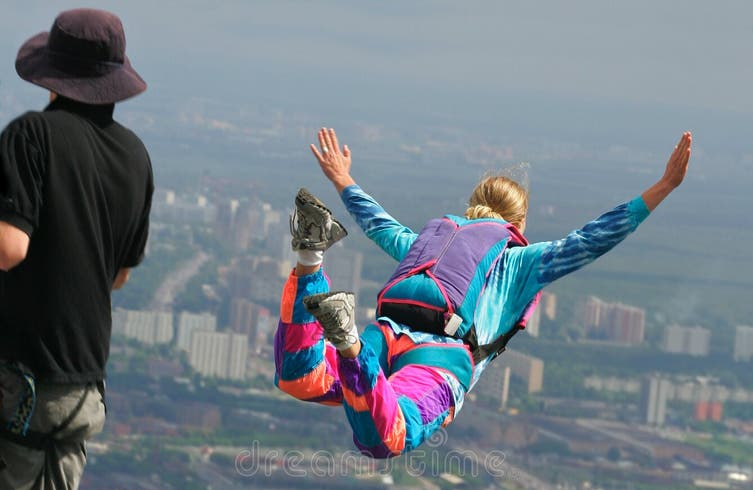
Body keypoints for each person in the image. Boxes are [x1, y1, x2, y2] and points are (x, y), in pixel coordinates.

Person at [275, 127, 692, 458]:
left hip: (385, 332)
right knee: (388, 434)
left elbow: (380, 225)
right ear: (519, 224)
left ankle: (311, 260)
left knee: (302, 377)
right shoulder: (522, 261)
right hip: (441, 357)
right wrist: (663, 188)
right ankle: (348, 344)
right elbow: (590, 239)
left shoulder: (432, 244)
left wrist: (344, 180)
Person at [0, 9, 153, 490]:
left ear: (51, 76)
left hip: (16, 387)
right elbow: (118, 273)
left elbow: (9, 245)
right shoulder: (134, 157)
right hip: (80, 389)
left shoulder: (29, 138)